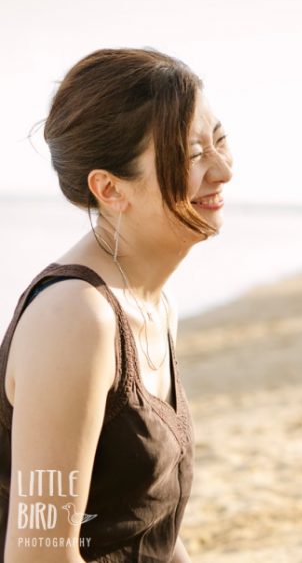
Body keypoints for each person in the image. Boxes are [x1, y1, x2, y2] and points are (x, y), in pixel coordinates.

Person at [0, 48, 233, 562]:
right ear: (110, 189)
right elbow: (39, 554)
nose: (221, 171)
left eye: (219, 142)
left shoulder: (152, 303)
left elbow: (145, 527)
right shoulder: (74, 318)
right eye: (192, 155)